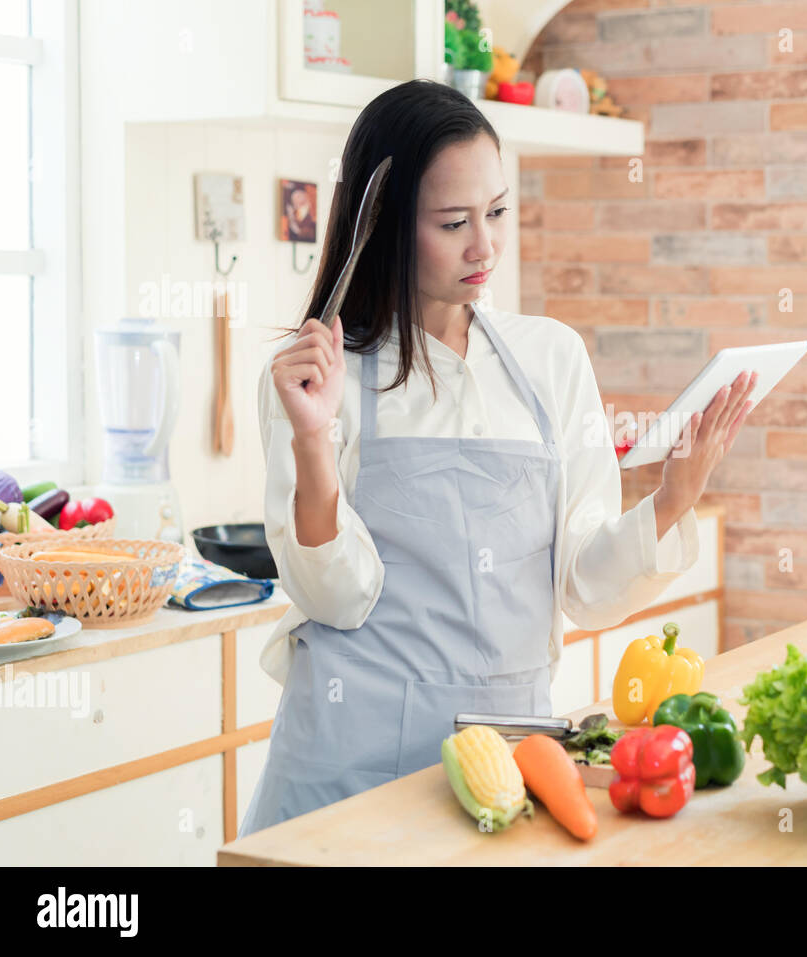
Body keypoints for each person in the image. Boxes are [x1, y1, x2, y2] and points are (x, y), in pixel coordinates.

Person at [239, 80, 756, 836]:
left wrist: (673, 499)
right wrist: (314, 441)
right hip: (348, 773)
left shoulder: (551, 359)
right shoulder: (319, 378)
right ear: (382, 227)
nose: (485, 246)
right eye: (454, 222)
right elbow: (337, 596)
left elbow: (584, 584)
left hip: (510, 765)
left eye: (498, 211)